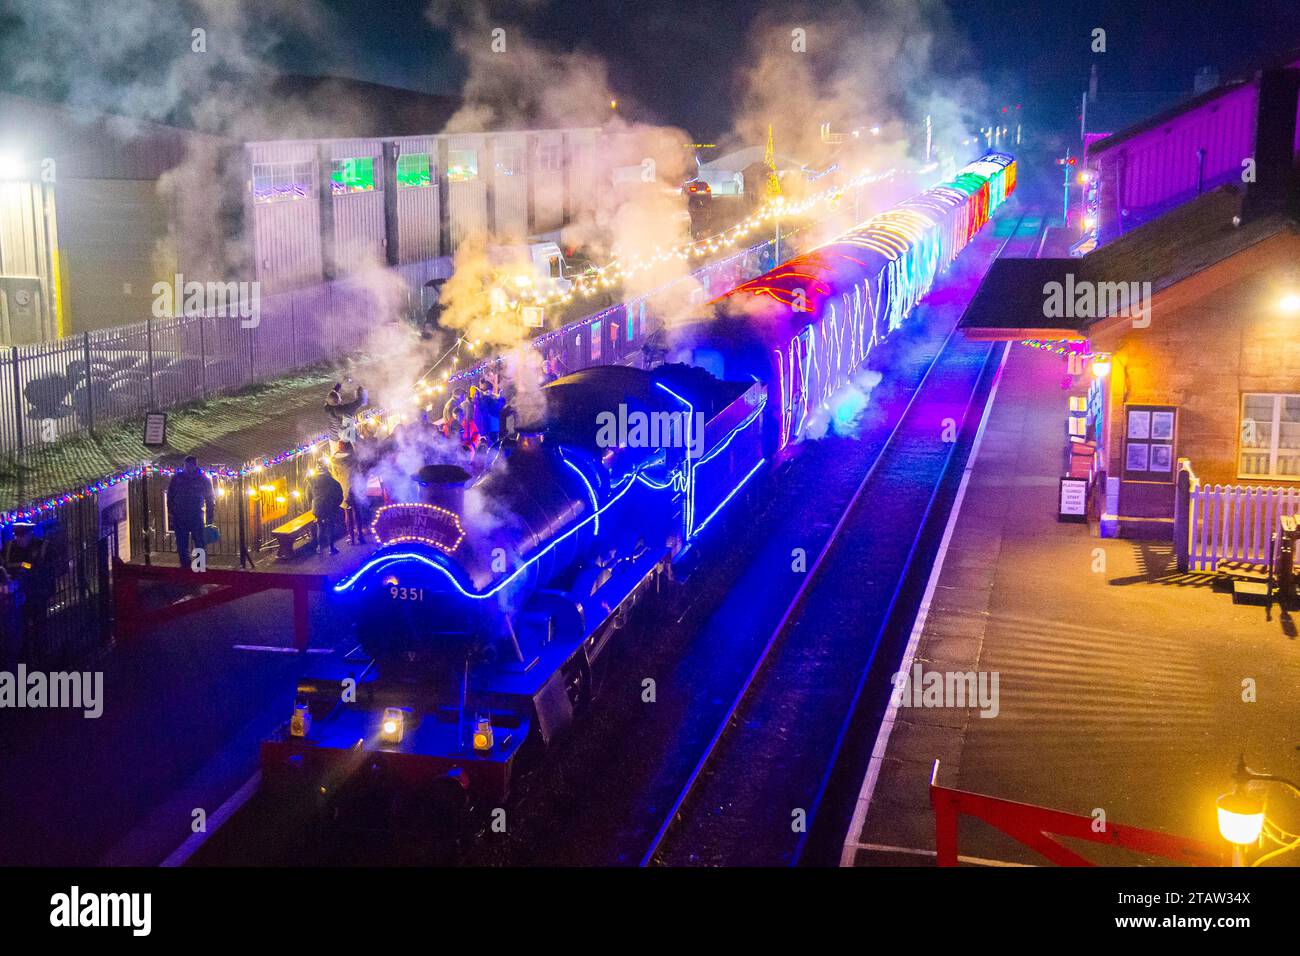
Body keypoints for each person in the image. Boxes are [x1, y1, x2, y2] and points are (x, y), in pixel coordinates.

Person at [167, 456, 215, 569]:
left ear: (194, 465)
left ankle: (199, 565)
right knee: (182, 543)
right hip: (182, 514)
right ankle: (186, 565)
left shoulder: (202, 479)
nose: (187, 468)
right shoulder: (179, 478)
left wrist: (209, 517)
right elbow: (170, 495)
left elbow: (210, 498)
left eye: (189, 466)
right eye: (186, 466)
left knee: (199, 542)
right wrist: (172, 511)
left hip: (195, 514)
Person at [307, 467, 345, 556]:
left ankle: (319, 547)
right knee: (330, 527)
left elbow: (308, 495)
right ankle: (331, 548)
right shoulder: (332, 482)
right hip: (329, 506)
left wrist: (313, 505)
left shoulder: (312, 482)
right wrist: (336, 505)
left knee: (320, 526)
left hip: (317, 508)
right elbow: (339, 494)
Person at [325, 380, 368, 454]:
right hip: (344, 440)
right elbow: (359, 402)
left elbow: (332, 393)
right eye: (339, 397)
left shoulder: (327, 407)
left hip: (332, 438)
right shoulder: (344, 409)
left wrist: (339, 383)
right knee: (353, 454)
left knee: (335, 459)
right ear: (338, 400)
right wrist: (361, 388)